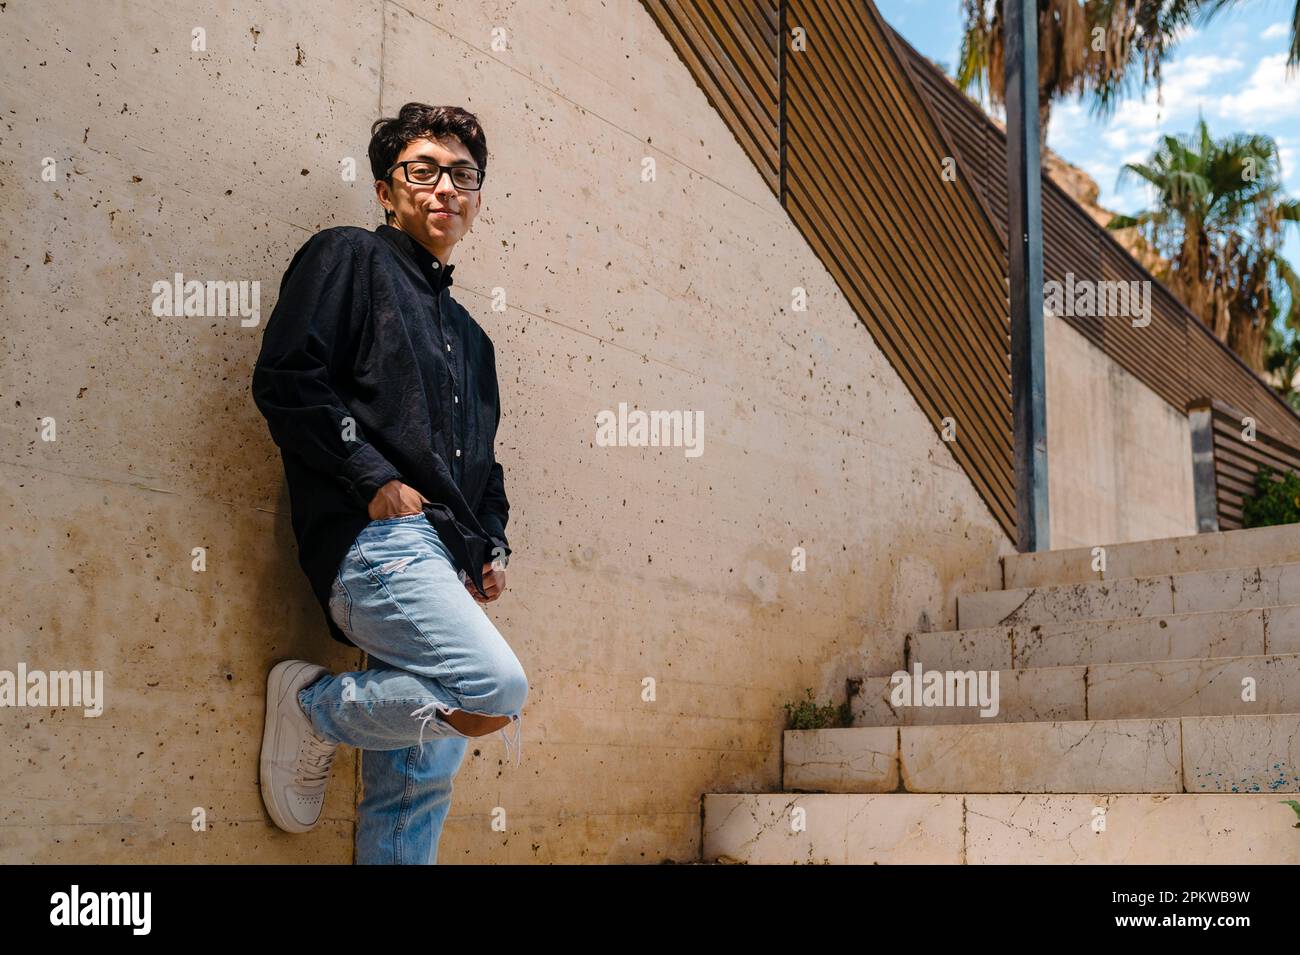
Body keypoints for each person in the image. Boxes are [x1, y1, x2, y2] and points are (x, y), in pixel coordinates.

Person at [251, 103, 527, 864]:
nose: (445, 188)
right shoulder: (348, 256)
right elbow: (288, 378)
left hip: (443, 561)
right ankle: (315, 708)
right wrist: (373, 479)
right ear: (386, 190)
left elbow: (484, 467)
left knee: (416, 792)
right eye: (423, 170)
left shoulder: (474, 341)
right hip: (377, 542)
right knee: (491, 691)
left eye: (463, 175)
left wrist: (491, 544)